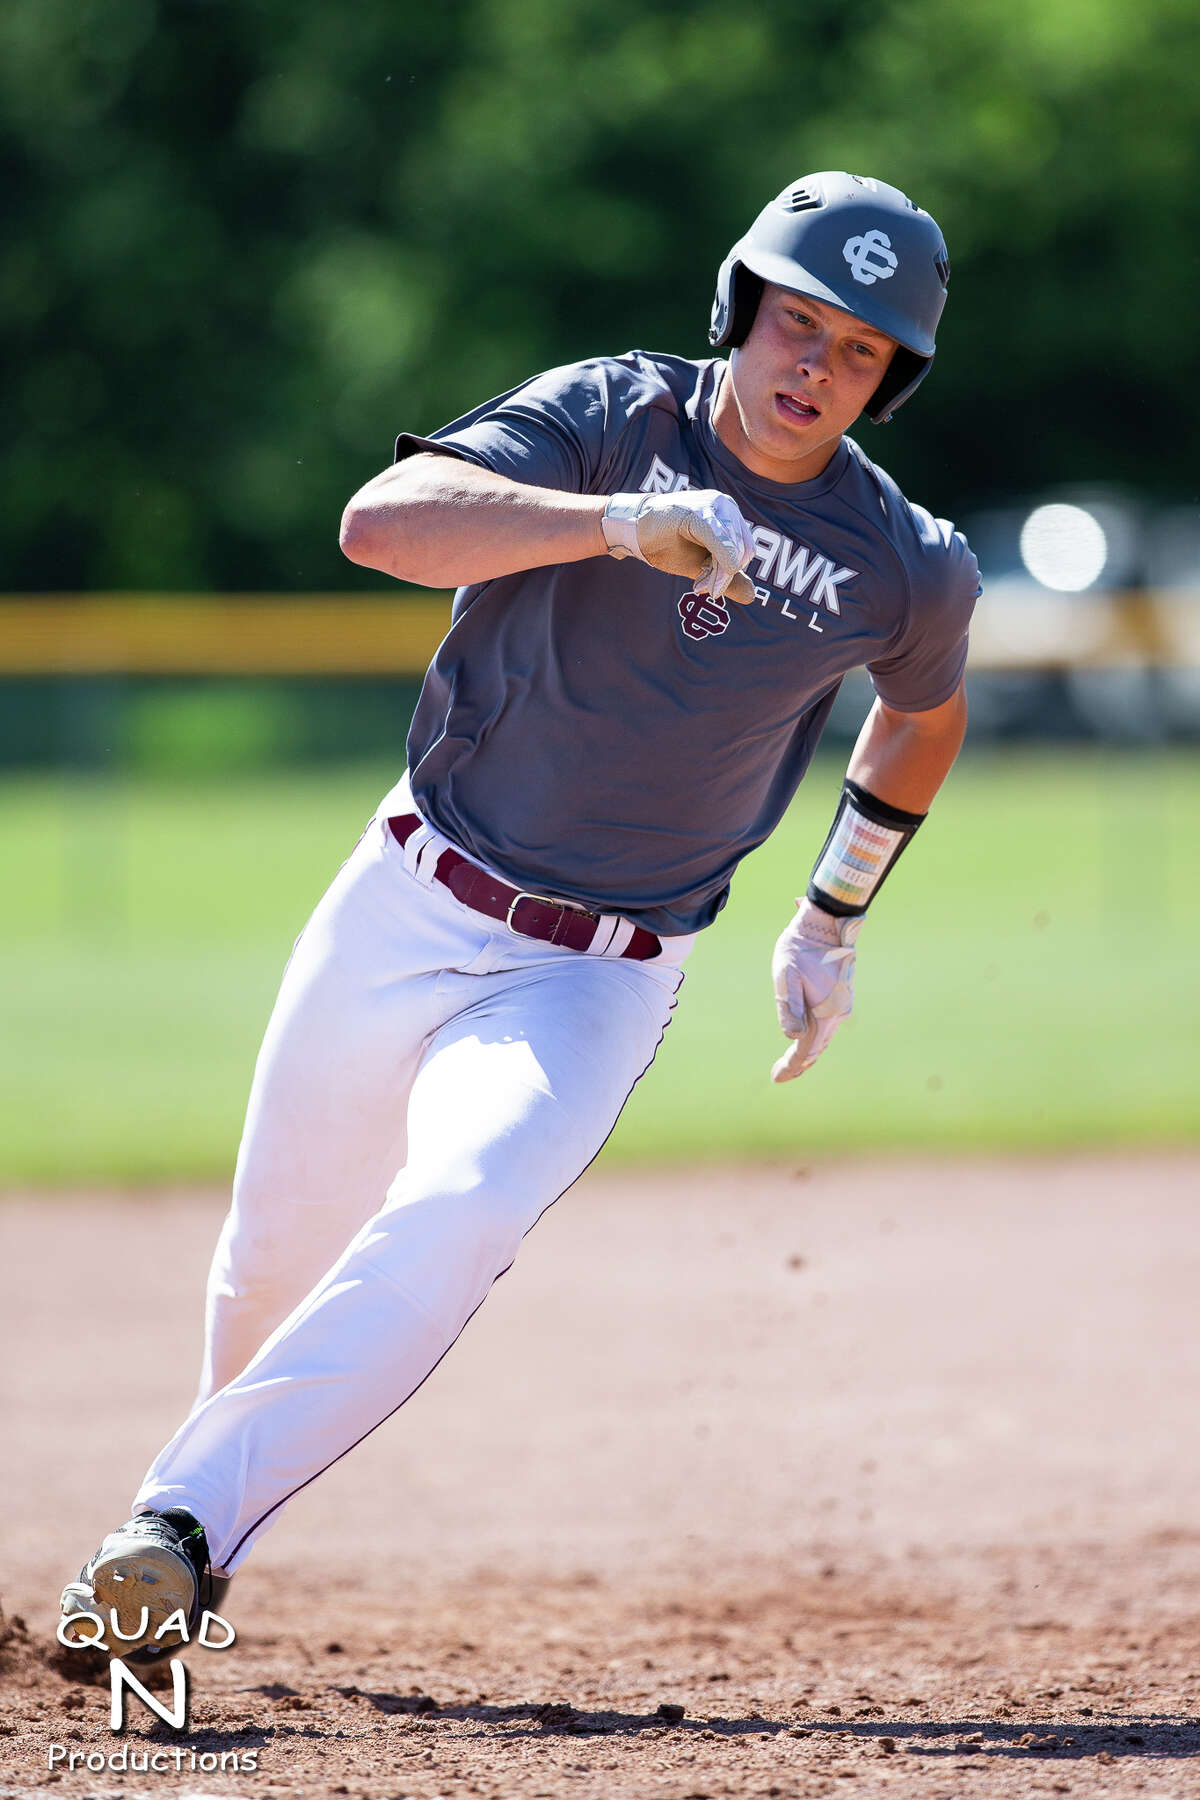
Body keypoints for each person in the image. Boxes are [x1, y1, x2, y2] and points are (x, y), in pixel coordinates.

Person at [60, 171, 979, 1656]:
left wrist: (833, 913)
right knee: (266, 1267)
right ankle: (201, 1521)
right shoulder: (615, 415)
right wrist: (614, 522)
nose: (816, 366)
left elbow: (921, 718)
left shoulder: (905, 563)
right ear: (742, 312)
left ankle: (171, 1534)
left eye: (859, 349)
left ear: (891, 381)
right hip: (409, 895)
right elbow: (384, 523)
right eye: (798, 324)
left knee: (462, 1205)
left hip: (597, 973)